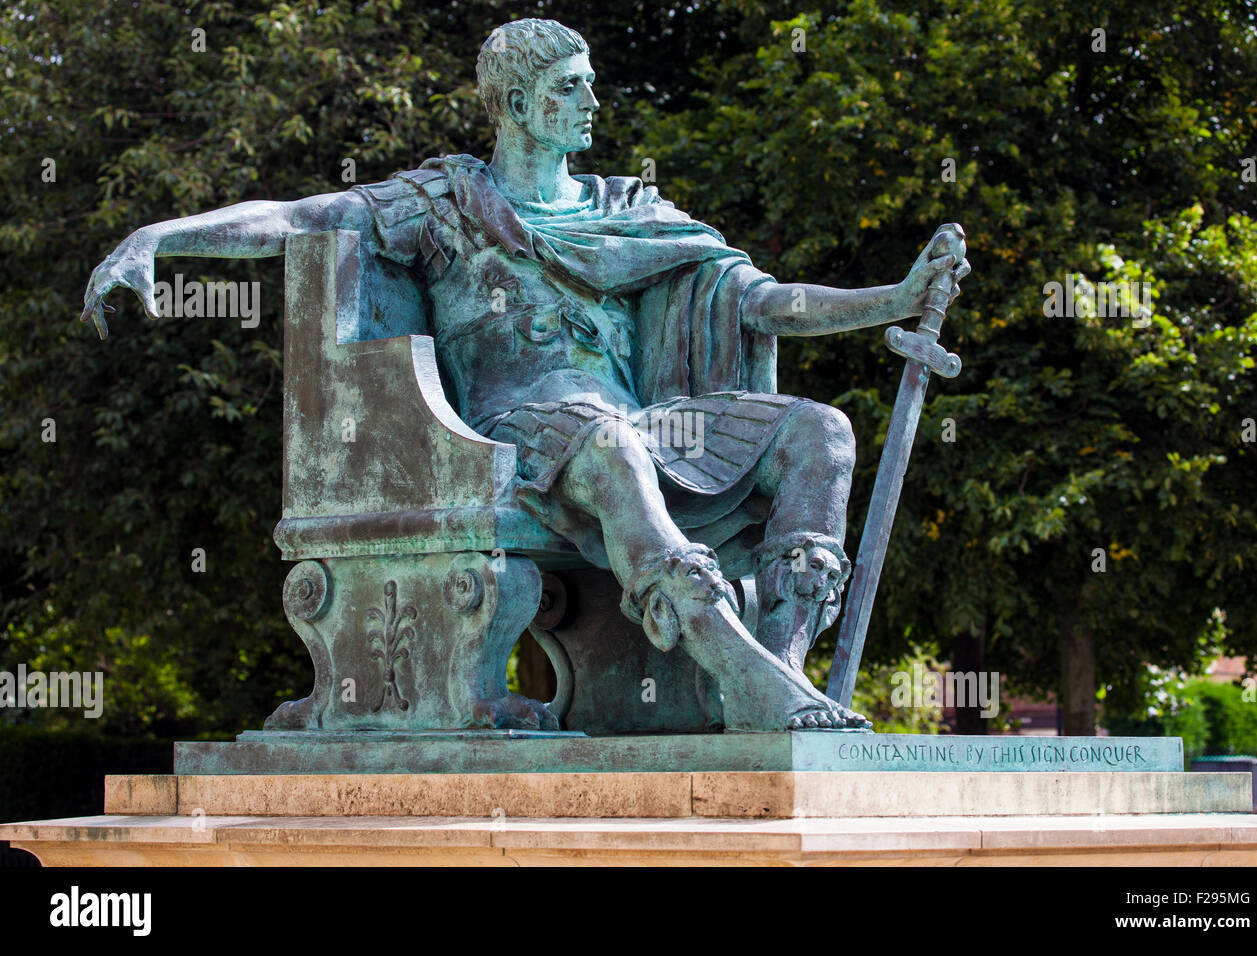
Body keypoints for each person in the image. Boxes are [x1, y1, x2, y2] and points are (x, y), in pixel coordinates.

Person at [81, 18, 969, 732]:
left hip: (645, 434)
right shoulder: (443, 204)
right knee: (605, 438)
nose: (592, 99)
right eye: (567, 86)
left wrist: (895, 297)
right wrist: (158, 237)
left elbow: (764, 302)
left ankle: (773, 673)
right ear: (514, 102)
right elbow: (305, 217)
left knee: (821, 430)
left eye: (588, 81)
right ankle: (717, 646)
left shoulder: (630, 211)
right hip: (517, 436)